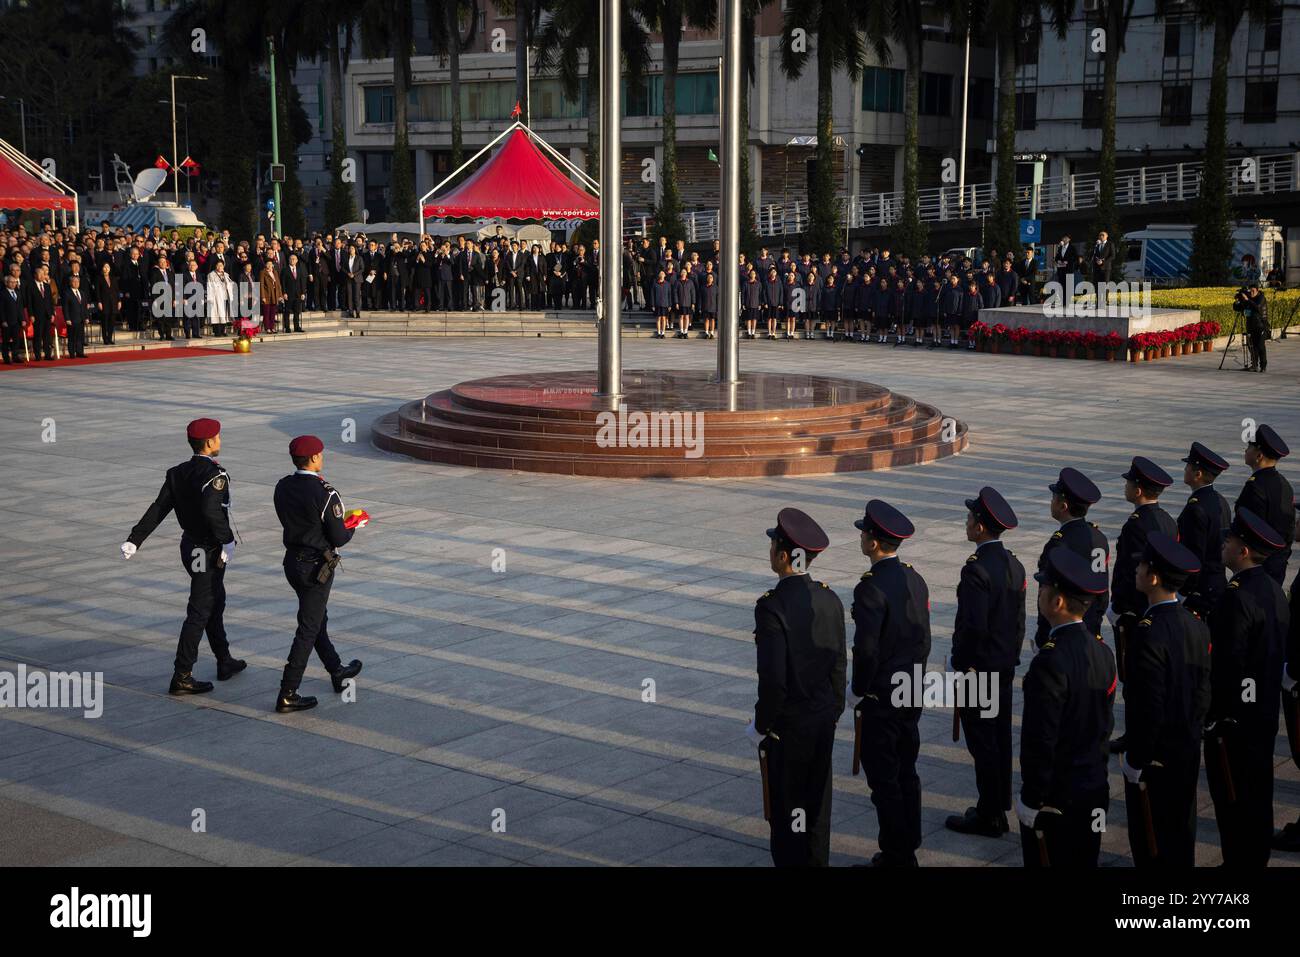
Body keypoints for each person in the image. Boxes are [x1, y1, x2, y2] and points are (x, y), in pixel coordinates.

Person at [120, 418, 246, 695]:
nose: (220, 442)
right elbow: (213, 512)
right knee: (200, 609)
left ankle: (224, 660)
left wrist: (135, 538)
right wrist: (227, 542)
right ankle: (182, 675)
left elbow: (159, 507)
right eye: (219, 437)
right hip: (206, 550)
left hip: (189, 546)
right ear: (210, 442)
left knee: (215, 600)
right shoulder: (215, 476)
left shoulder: (177, 472)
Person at [752, 508, 845, 867]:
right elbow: (838, 664)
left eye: (774, 544)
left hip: (789, 728)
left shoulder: (771, 607)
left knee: (789, 810)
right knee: (817, 805)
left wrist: (762, 725)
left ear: (782, 554)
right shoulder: (830, 598)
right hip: (822, 719)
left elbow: (774, 681)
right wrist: (833, 709)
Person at [1117, 533, 1211, 867]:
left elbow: (1148, 706)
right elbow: (1202, 692)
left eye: (1141, 566)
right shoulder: (1195, 624)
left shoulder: (1148, 631)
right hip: (1185, 747)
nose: (1137, 570)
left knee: (1151, 840)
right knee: (1179, 832)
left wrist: (1137, 758)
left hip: (1156, 757)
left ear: (1153, 578)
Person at [1018, 547, 1116, 868]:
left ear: (1057, 602)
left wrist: (1032, 798)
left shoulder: (1049, 662)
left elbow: (1040, 739)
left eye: (1044, 588)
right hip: (1093, 787)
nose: (1040, 592)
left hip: (1058, 798)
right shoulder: (1103, 653)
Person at [1205, 508, 1290, 866]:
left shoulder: (1235, 597)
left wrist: (1215, 717)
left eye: (1229, 540)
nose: (1223, 544)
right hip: (1264, 712)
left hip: (1236, 723)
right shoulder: (1272, 589)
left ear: (1242, 551)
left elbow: (1227, 667)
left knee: (1234, 799)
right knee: (1257, 792)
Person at [850, 500, 930, 867]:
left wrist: (858, 689)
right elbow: (923, 640)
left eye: (864, 533)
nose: (862, 538)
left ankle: (896, 854)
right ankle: (907, 845)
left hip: (882, 696)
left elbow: (866, 651)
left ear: (873, 542)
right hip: (910, 687)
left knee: (884, 779)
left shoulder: (870, 589)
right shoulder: (915, 578)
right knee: (906, 771)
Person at [945, 488, 1025, 838]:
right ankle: (996, 807)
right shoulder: (1014, 563)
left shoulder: (976, 571)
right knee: (999, 741)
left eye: (969, 518)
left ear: (979, 528)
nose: (966, 523)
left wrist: (959, 664)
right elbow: (1019, 621)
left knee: (983, 744)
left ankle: (989, 814)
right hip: (1004, 666)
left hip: (980, 672)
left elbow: (972, 626)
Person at [272, 435, 364, 714]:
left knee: (315, 618)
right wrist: (353, 525)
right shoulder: (325, 493)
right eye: (321, 454)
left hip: (292, 562)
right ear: (313, 458)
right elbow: (338, 536)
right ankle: (288, 692)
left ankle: (337, 670)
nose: (322, 458)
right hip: (316, 567)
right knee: (308, 627)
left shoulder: (282, 486)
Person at [1108, 456, 1179, 716]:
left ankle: (1136, 732)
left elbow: (1131, 571)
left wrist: (1120, 608)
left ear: (1137, 491)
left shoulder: (1136, 525)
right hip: (1159, 604)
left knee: (1134, 673)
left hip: (1135, 611)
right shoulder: (1168, 520)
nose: (1125, 487)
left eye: (1128, 483)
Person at [1034, 468, 1109, 648]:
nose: (1051, 502)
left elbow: (1047, 592)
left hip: (1063, 625)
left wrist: (1042, 636)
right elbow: (1102, 588)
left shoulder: (1059, 543)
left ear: (1063, 506)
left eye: (1054, 498)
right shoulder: (1098, 536)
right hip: (1090, 624)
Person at [1176, 442, 1233, 618]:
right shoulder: (1219, 500)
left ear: (1197, 474)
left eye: (1188, 467)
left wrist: (1183, 593)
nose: (1184, 470)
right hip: (1216, 582)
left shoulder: (1195, 508)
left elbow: (1194, 556)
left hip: (1200, 590)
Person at [1235, 424, 1293, 585]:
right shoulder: (1284, 483)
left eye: (1249, 447)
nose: (1245, 451)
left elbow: (1249, 528)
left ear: (1259, 455)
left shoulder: (1255, 487)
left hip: (1258, 566)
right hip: (1277, 563)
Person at [1233, 282, 1269, 372]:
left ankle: (1263, 366)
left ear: (1257, 290)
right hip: (1250, 326)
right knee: (1251, 346)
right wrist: (1237, 301)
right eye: (1250, 291)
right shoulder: (1248, 298)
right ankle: (1254, 365)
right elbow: (1237, 308)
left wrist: (1247, 300)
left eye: (1253, 291)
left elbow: (1257, 307)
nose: (1251, 293)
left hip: (1261, 326)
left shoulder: (1261, 298)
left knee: (1260, 346)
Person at [25, 264, 55, 360]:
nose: (42, 276)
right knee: (38, 335)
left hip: (47, 314)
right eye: (40, 274)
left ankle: (47, 354)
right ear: (35, 275)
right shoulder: (30, 286)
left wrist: (52, 313)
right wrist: (31, 315)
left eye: (43, 274)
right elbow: (29, 302)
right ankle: (37, 355)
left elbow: (50, 301)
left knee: (47, 336)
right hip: (37, 315)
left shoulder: (46, 286)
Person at [1, 271, 25, 363]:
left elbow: (20, 308)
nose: (13, 284)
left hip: (16, 321)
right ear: (6, 283)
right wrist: (3, 320)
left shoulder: (18, 293)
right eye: (11, 282)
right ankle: (6, 357)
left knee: (16, 340)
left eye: (15, 282)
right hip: (7, 321)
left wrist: (22, 319)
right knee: (6, 340)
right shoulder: (2, 293)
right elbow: (1, 309)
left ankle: (15, 356)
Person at [63, 273, 88, 358]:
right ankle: (72, 353)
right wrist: (67, 318)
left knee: (80, 337)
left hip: (81, 319)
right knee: (72, 337)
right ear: (71, 283)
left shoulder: (82, 292)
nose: (76, 283)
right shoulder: (67, 293)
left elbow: (84, 306)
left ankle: (80, 352)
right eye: (74, 282)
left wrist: (86, 317)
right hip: (72, 319)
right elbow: (65, 307)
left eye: (77, 282)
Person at [281, 253, 306, 333]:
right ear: (289, 260)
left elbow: (302, 282)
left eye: (294, 259)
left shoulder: (299, 269)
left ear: (297, 260)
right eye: (291, 259)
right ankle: (287, 327)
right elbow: (283, 282)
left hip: (298, 293)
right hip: (288, 294)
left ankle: (297, 327)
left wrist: (303, 293)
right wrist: (284, 293)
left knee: (297, 311)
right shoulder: (285, 270)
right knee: (287, 311)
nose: (292, 260)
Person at [94, 260, 118, 345]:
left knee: (112, 322)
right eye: (105, 267)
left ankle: (110, 338)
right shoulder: (98, 278)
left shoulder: (113, 278)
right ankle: (105, 339)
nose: (106, 269)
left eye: (108, 267)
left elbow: (116, 291)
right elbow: (97, 292)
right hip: (104, 302)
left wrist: (119, 301)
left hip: (113, 302)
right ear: (102, 268)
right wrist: (99, 302)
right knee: (105, 322)